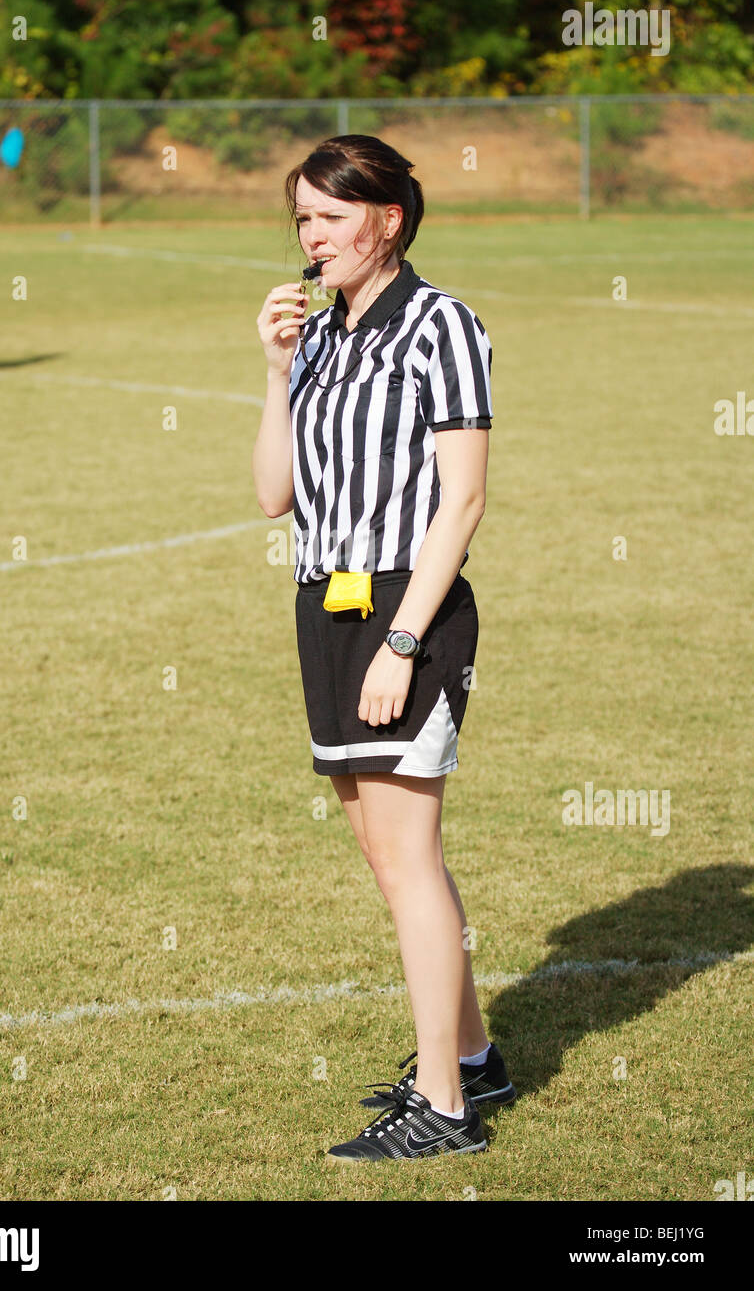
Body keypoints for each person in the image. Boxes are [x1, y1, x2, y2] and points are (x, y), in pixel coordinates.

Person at [253, 134, 515, 1164]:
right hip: (323, 605)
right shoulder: (318, 337)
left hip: (408, 610)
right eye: (302, 220)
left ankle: (444, 1108)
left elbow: (464, 499)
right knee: (381, 850)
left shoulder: (440, 324)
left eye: (327, 217)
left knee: (408, 856)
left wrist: (404, 638)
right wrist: (276, 370)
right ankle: (474, 1052)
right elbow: (274, 494)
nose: (309, 239)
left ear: (388, 218)